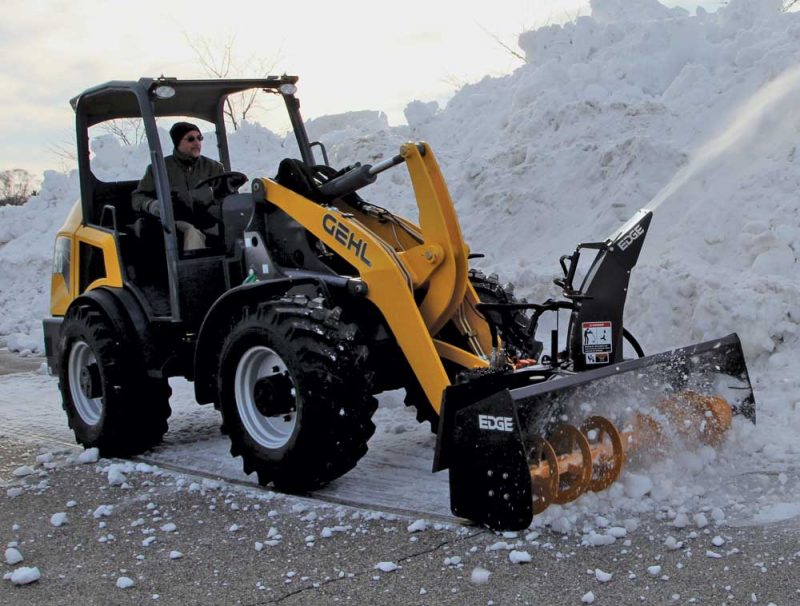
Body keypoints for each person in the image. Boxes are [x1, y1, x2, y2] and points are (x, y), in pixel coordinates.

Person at [132, 121, 224, 250]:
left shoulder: (213, 167)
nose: (197, 142)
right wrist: (151, 204)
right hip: (176, 223)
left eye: (199, 138)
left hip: (208, 222)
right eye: (191, 139)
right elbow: (138, 197)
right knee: (192, 233)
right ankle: (195, 269)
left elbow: (225, 195)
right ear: (178, 142)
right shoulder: (159, 169)